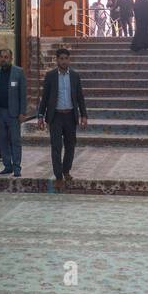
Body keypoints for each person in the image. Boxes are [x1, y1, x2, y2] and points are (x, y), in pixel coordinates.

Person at [36, 46, 87, 188]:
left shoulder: (75, 76)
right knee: (56, 147)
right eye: (61, 59)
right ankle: (58, 176)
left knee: (71, 146)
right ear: (57, 60)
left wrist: (84, 115)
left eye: (66, 59)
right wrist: (40, 116)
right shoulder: (50, 76)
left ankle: (66, 170)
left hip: (70, 116)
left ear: (69, 60)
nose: (64, 61)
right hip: (55, 117)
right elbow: (45, 98)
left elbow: (80, 97)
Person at [0, 47, 28, 178]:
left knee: (15, 141)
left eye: (6, 57)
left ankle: (16, 167)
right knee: (2, 140)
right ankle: (7, 166)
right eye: (1, 57)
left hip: (13, 113)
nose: (3, 59)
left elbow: (23, 94)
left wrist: (22, 112)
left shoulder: (18, 72)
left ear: (11, 58)